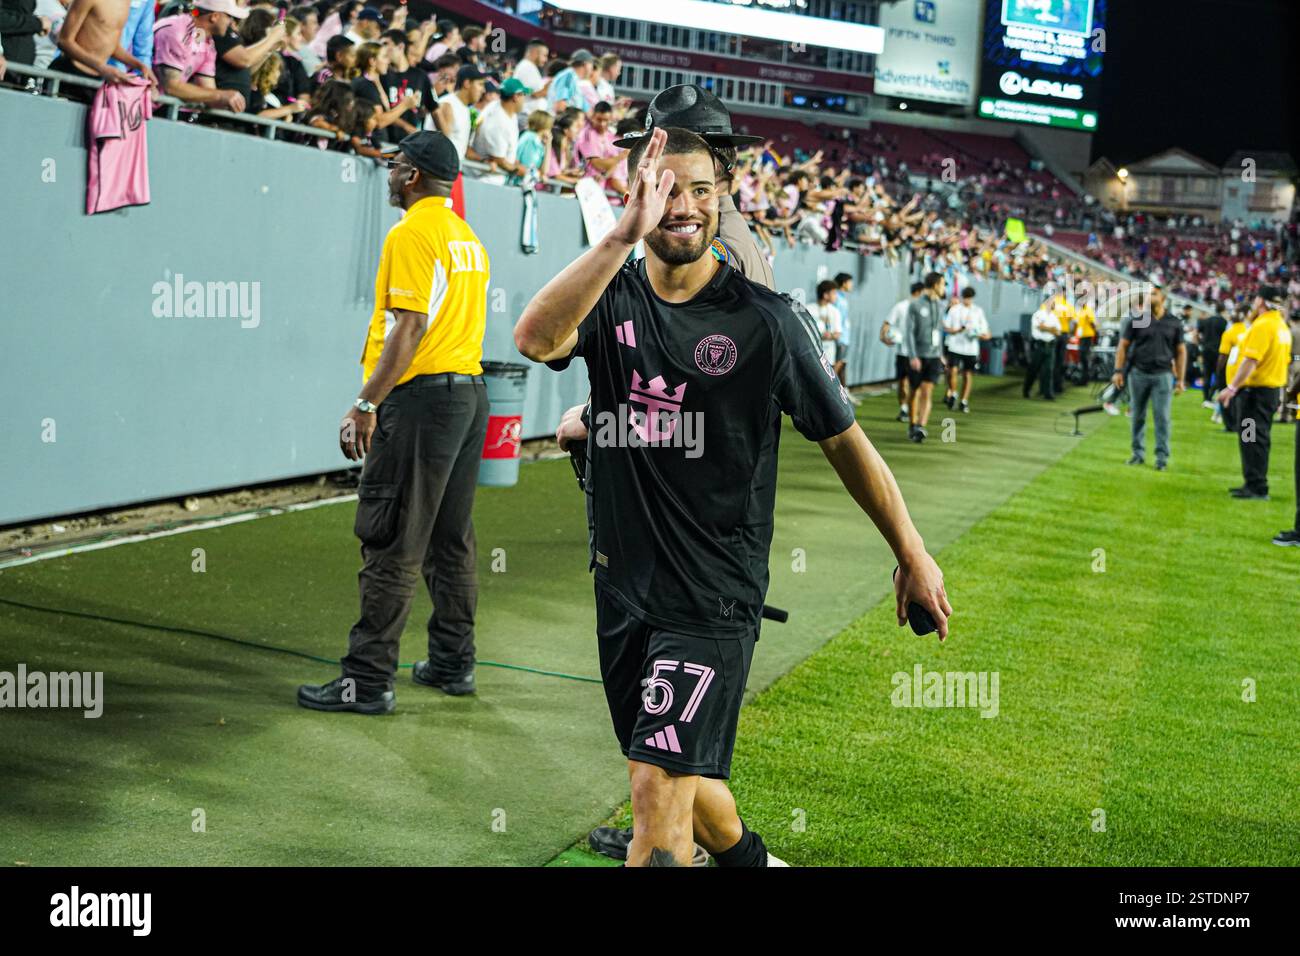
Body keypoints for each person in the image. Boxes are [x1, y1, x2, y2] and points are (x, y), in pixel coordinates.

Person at [513, 126, 951, 867]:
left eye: (703, 191)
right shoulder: (610, 290)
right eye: (667, 191)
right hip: (622, 584)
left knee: (655, 794)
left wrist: (910, 549)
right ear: (641, 198)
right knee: (671, 771)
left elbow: (845, 439)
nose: (685, 207)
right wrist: (621, 238)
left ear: (725, 200)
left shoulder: (766, 320)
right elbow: (535, 339)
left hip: (712, 594)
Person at [298, 130, 491, 715]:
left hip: (424, 402)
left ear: (410, 175)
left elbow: (408, 328)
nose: (386, 175)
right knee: (449, 540)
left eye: (391, 165)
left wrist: (365, 403)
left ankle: (366, 680)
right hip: (469, 395)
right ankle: (454, 663)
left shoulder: (412, 232)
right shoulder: (466, 236)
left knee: (391, 540)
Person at [1218, 287, 1293, 500]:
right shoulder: (1281, 326)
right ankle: (1253, 481)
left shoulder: (1263, 326)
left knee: (1251, 438)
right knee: (1257, 437)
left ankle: (1256, 485)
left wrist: (1232, 387)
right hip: (1268, 391)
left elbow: (1251, 361)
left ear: (1261, 301)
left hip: (1255, 393)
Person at [1111, 285, 1186, 471]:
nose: (1149, 297)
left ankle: (1161, 458)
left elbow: (1181, 352)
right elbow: (1123, 346)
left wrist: (1181, 379)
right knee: (1137, 415)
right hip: (1139, 373)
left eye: (1153, 294)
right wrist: (1118, 371)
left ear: (1163, 299)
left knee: (1162, 417)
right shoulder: (1139, 320)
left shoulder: (1174, 322)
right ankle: (1138, 453)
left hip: (1163, 375)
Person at [47, 0, 155, 100]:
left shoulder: (125, 3)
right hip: (69, 74)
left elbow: (113, 47)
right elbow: (64, 41)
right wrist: (102, 67)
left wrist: (140, 66)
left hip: (96, 81)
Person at [149, 0, 242, 111]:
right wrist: (221, 96)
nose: (231, 22)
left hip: (147, 108)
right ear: (215, 16)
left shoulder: (207, 42)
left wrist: (226, 100)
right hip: (130, 101)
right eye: (229, 17)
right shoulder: (175, 30)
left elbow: (208, 91)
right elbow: (171, 87)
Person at [906, 271, 946, 443]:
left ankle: (921, 426)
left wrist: (941, 354)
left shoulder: (941, 306)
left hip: (934, 356)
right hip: (918, 356)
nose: (944, 288)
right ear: (936, 285)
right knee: (914, 391)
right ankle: (912, 424)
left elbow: (939, 332)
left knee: (926, 391)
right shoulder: (915, 305)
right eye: (943, 284)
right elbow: (909, 333)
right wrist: (913, 356)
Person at [943, 286, 991, 414]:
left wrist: (981, 335)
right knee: (952, 371)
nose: (967, 300)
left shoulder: (978, 311)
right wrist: (957, 330)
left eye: (969, 298)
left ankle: (964, 401)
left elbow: (986, 332)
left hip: (971, 348)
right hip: (955, 345)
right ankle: (953, 392)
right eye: (966, 298)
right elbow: (946, 327)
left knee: (967, 374)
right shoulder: (954, 310)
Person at [471, 76, 528, 176]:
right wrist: (521, 171)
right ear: (516, 97)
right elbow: (498, 160)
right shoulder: (497, 121)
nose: (525, 99)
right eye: (523, 95)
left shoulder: (504, 109)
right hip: (485, 179)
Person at [881, 283, 922, 423]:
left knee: (916, 384)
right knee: (902, 381)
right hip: (903, 352)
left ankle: (913, 410)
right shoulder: (901, 306)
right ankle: (903, 408)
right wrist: (883, 337)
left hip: (918, 353)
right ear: (918, 292)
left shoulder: (924, 307)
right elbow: (887, 322)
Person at [431, 62, 486, 161]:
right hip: (439, 171)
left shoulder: (464, 108)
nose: (483, 90)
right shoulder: (447, 104)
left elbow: (459, 147)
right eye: (480, 84)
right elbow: (445, 144)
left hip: (451, 171)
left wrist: (483, 160)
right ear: (467, 83)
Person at [574, 100, 626, 192]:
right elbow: (598, 164)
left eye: (606, 120)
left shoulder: (611, 137)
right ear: (593, 116)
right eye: (599, 119)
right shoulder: (586, 135)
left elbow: (613, 166)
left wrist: (606, 172)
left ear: (611, 118)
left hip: (601, 190)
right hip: (586, 187)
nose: (602, 123)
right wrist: (621, 157)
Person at [1216, 307, 1250, 432]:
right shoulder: (1248, 331)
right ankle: (1240, 424)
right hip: (1245, 369)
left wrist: (1218, 369)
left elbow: (1223, 354)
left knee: (1226, 396)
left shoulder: (1229, 333)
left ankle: (1230, 425)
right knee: (1240, 399)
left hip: (1231, 369)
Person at [1023, 293, 1059, 402]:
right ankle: (1026, 390)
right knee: (1033, 369)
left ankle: (1048, 393)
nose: (1053, 304)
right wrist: (1050, 329)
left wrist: (1048, 328)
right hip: (1039, 345)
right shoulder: (1038, 314)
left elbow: (1058, 331)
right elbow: (1040, 327)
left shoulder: (1054, 316)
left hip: (1050, 345)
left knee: (1048, 370)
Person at [1198, 302, 1228, 408]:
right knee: (1219, 374)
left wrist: (1201, 343)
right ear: (1223, 310)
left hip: (1206, 350)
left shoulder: (1206, 321)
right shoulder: (1223, 322)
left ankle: (1205, 399)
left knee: (1206, 375)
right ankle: (1211, 396)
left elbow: (1198, 332)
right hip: (1218, 351)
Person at [546, 47, 592, 113]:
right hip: (559, 122)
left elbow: (586, 109)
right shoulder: (568, 76)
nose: (592, 69)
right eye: (591, 64)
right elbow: (560, 107)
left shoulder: (575, 79)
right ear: (585, 64)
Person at [832, 272, 856, 400]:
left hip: (845, 337)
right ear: (844, 283)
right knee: (837, 364)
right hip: (840, 337)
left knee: (842, 363)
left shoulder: (842, 297)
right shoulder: (836, 297)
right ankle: (827, 388)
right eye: (850, 282)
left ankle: (843, 392)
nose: (851, 285)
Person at [511, 37, 548, 117]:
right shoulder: (527, 67)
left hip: (527, 115)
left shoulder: (529, 66)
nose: (546, 59)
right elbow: (531, 93)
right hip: (525, 115)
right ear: (534, 52)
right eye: (544, 55)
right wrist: (546, 89)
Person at [814, 279, 842, 368]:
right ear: (825, 295)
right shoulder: (808, 309)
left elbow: (838, 334)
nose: (836, 296)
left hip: (829, 356)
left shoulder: (835, 311)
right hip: (812, 356)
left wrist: (829, 336)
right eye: (834, 293)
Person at [1073, 295, 1097, 384]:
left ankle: (1085, 377)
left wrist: (1094, 332)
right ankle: (1084, 377)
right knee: (1082, 357)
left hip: (1087, 336)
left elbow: (1092, 323)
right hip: (1082, 336)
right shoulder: (1081, 311)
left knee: (1084, 357)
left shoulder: (1088, 310)